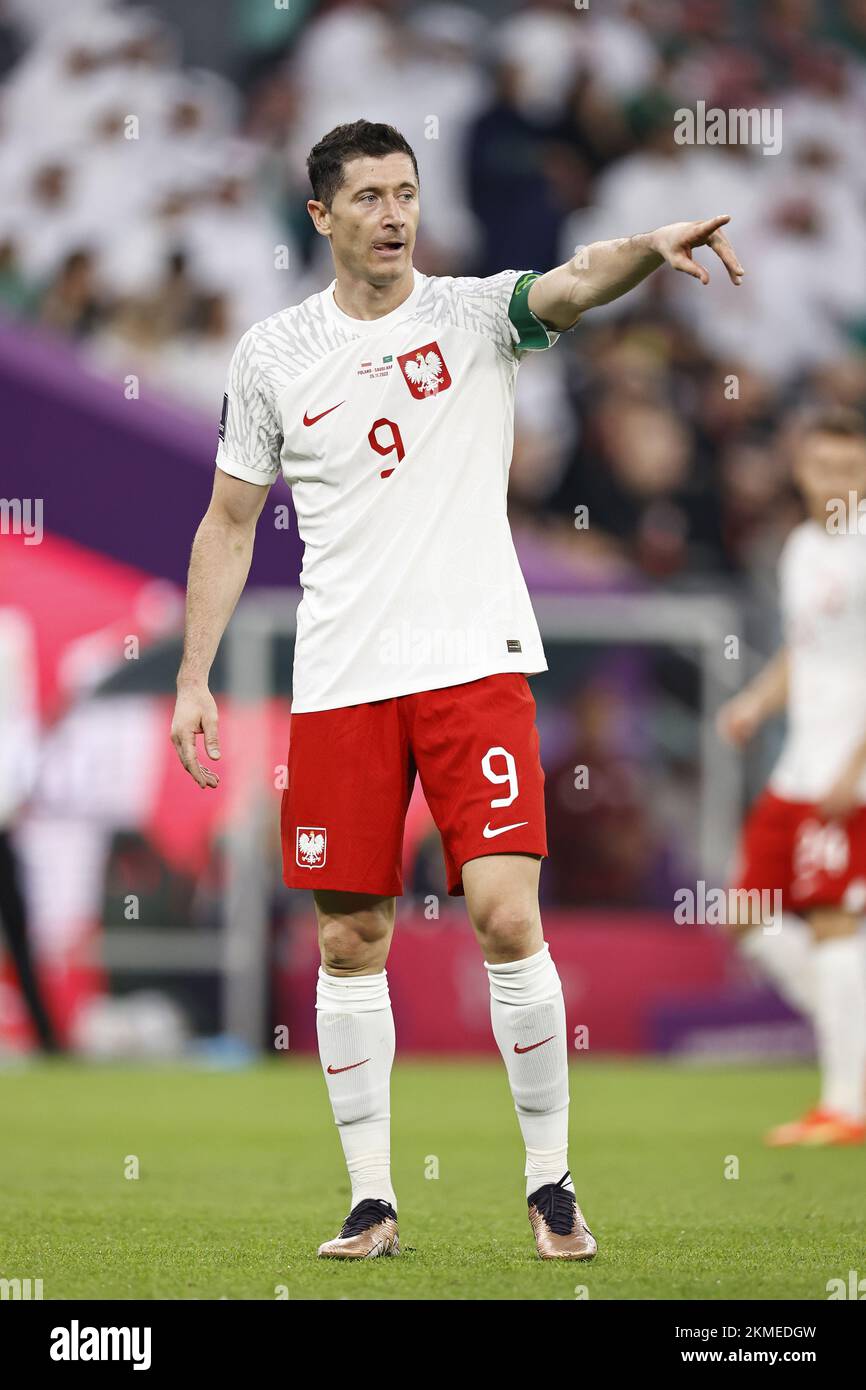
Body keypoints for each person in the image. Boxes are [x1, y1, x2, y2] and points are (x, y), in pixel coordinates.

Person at [171, 119, 743, 1259]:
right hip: (341, 680)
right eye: (370, 196)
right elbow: (230, 522)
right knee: (350, 940)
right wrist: (195, 673)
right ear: (320, 215)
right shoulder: (273, 355)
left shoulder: (476, 314)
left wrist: (647, 246)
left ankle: (549, 1181)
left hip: (473, 665)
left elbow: (574, 283)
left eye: (407, 192)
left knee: (503, 912)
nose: (394, 214)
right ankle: (372, 1199)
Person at [718, 407, 866, 1147]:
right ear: (801, 470)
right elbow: (804, 653)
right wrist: (755, 701)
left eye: (851, 469)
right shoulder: (802, 547)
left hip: (851, 773)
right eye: (824, 467)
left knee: (837, 918)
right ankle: (854, 1046)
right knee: (746, 912)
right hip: (800, 764)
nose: (837, 481)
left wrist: (856, 763)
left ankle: (846, 1103)